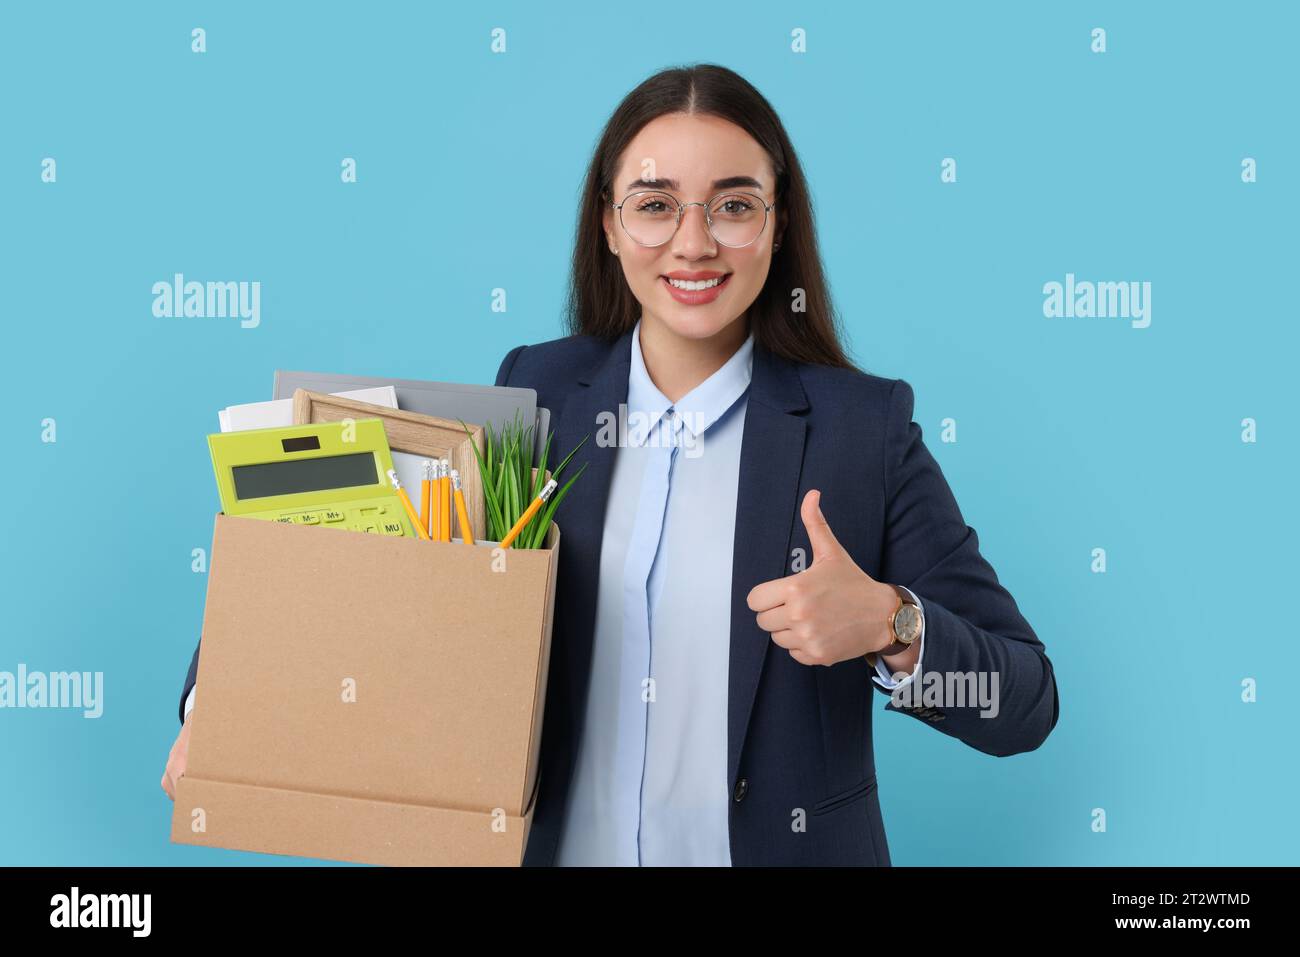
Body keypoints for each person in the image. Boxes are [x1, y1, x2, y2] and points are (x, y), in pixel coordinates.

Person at [163, 63, 1059, 866]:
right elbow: (381, 570)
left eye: (735, 204)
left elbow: (1025, 701)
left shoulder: (862, 430)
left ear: (778, 228)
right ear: (610, 222)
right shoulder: (538, 392)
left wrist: (890, 626)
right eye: (657, 202)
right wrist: (220, 702)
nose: (695, 241)